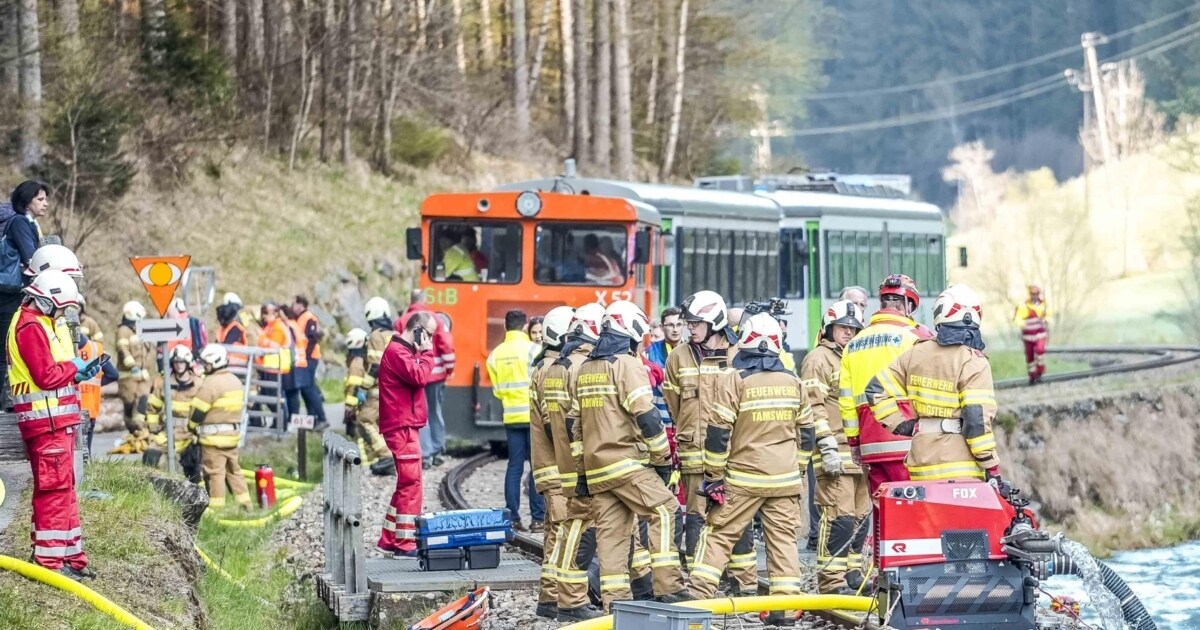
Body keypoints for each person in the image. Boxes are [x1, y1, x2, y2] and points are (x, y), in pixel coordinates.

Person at [691, 313, 813, 625]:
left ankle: (697, 602)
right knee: (784, 542)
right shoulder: (794, 382)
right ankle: (785, 611)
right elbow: (808, 436)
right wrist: (796, 471)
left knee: (718, 536)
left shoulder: (734, 380)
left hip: (743, 480)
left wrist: (713, 478)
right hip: (784, 481)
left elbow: (717, 435)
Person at [572, 300, 692, 608]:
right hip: (626, 462)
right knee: (665, 509)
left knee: (612, 539)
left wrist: (582, 473)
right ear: (633, 330)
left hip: (596, 469)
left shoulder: (587, 368)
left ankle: (615, 604)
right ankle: (669, 587)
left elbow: (576, 426)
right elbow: (648, 417)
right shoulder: (627, 364)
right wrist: (663, 460)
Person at [9, 270, 98, 579]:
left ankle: (72, 557)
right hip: (46, 424)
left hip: (56, 422)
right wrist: (73, 366)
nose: (62, 314)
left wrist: (74, 373)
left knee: (64, 490)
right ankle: (49, 564)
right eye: (60, 308)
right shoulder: (30, 326)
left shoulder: (42, 322)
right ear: (46, 302)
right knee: (54, 492)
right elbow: (45, 377)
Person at [663, 291, 754, 594]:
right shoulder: (678, 356)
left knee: (734, 517)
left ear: (714, 321)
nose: (689, 328)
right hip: (694, 455)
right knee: (696, 518)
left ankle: (742, 584)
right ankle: (699, 583)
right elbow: (674, 404)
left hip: (733, 456)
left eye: (695, 323)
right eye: (688, 323)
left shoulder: (738, 353)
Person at [867, 285, 1002, 486]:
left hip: (920, 464)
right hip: (959, 469)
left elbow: (875, 390)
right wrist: (991, 468)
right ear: (972, 317)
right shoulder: (973, 361)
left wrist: (901, 424)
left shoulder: (915, 354)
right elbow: (976, 421)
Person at [543, 304, 609, 621]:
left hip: (557, 466)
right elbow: (579, 423)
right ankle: (571, 599)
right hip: (580, 469)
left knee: (562, 533)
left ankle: (554, 597)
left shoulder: (551, 368)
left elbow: (548, 424)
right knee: (580, 531)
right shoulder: (582, 368)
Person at [840, 274, 932, 498]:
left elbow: (846, 401)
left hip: (870, 445)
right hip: (907, 440)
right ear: (909, 305)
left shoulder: (853, 345)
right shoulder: (916, 337)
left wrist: (854, 442)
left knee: (883, 513)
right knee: (913, 510)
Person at [801, 300, 869, 595]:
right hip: (835, 451)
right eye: (843, 327)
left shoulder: (857, 358)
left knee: (860, 517)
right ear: (829, 328)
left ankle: (853, 573)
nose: (848, 332)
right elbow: (812, 405)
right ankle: (831, 580)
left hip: (859, 452)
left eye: (853, 328)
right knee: (838, 518)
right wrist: (825, 444)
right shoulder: (818, 359)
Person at [376, 311, 436, 557]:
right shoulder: (399, 352)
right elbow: (420, 376)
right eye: (429, 334)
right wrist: (427, 352)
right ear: (419, 330)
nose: (430, 340)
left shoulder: (401, 351)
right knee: (412, 483)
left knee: (405, 482)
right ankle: (405, 543)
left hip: (404, 424)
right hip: (402, 425)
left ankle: (390, 538)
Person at [528, 306, 575, 619]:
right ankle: (559, 599)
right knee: (562, 533)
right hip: (557, 469)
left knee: (553, 534)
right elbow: (553, 424)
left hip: (550, 468)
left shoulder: (543, 366)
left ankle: (548, 598)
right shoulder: (550, 370)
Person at [487, 309, 544, 531]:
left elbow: (498, 391)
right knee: (536, 467)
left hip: (511, 416)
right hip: (532, 415)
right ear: (524, 326)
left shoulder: (495, 354)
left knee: (514, 467)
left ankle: (512, 517)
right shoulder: (533, 350)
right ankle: (538, 518)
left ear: (505, 326)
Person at [0, 181, 48, 401]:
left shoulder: (29, 223)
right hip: (10, 292)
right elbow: (31, 257)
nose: (45, 203)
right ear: (26, 201)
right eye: (40, 199)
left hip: (14, 290)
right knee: (6, 345)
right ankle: (6, 399)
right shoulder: (20, 222)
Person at [397, 289, 455, 469]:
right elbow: (446, 344)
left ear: (411, 301)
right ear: (424, 300)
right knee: (435, 411)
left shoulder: (401, 321)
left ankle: (426, 453)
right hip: (436, 375)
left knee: (420, 415)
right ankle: (438, 450)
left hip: (413, 375)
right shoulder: (435, 319)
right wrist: (449, 368)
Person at [191, 345, 252, 509]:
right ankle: (245, 505)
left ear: (214, 362)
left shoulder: (211, 383)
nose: (204, 367)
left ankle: (217, 510)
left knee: (214, 473)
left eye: (206, 364)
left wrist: (191, 427)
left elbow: (197, 413)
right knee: (234, 471)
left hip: (213, 440)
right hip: (232, 438)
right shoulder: (235, 381)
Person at [145, 346, 202, 482]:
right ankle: (153, 490)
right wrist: (153, 427)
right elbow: (153, 406)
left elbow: (204, 410)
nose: (179, 365)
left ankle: (196, 496)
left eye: (182, 362)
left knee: (193, 466)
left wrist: (199, 432)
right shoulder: (164, 383)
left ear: (188, 363)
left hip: (190, 434)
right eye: (176, 362)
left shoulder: (199, 384)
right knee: (150, 455)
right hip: (168, 432)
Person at [112, 300, 156, 454]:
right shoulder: (123, 330)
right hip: (128, 377)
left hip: (142, 375)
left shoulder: (139, 331)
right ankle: (134, 433)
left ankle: (141, 432)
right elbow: (122, 349)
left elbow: (147, 352)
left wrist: (146, 369)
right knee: (129, 406)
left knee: (143, 402)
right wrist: (133, 366)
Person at [362, 298, 398, 475]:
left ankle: (386, 456)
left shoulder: (376, 336)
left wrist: (363, 387)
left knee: (365, 419)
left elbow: (375, 365)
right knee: (382, 424)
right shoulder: (394, 335)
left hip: (379, 389)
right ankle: (386, 460)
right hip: (395, 389)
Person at [288, 295, 328, 431]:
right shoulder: (299, 318)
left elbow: (312, 339)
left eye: (294, 304)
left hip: (310, 357)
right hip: (305, 358)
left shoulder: (308, 318)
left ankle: (320, 417)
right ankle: (313, 420)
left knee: (308, 388)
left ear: (300, 305)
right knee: (307, 389)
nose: (292, 307)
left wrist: (305, 356)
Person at [77, 332, 117, 457]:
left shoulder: (63, 349)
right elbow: (113, 374)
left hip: (69, 409)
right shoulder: (95, 348)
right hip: (90, 408)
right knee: (85, 453)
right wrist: (98, 384)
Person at [254, 301, 293, 428]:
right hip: (268, 366)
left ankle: (281, 424)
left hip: (275, 367)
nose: (263, 316)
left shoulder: (277, 326)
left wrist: (261, 340)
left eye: (265, 313)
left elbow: (273, 345)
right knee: (268, 396)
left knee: (274, 398)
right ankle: (278, 423)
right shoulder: (270, 326)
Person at [1014, 284, 1049, 385]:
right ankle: (1032, 376)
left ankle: (1040, 372)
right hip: (1028, 336)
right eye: (1033, 294)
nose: (1035, 296)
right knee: (1030, 357)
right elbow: (1017, 318)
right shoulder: (1023, 306)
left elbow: (1049, 316)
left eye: (1037, 294)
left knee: (1040, 351)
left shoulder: (1044, 305)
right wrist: (1022, 324)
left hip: (1040, 334)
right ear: (1030, 294)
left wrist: (1046, 320)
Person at [216, 299, 251, 369]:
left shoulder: (235, 328)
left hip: (238, 364)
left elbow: (227, 344)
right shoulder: (223, 328)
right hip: (228, 363)